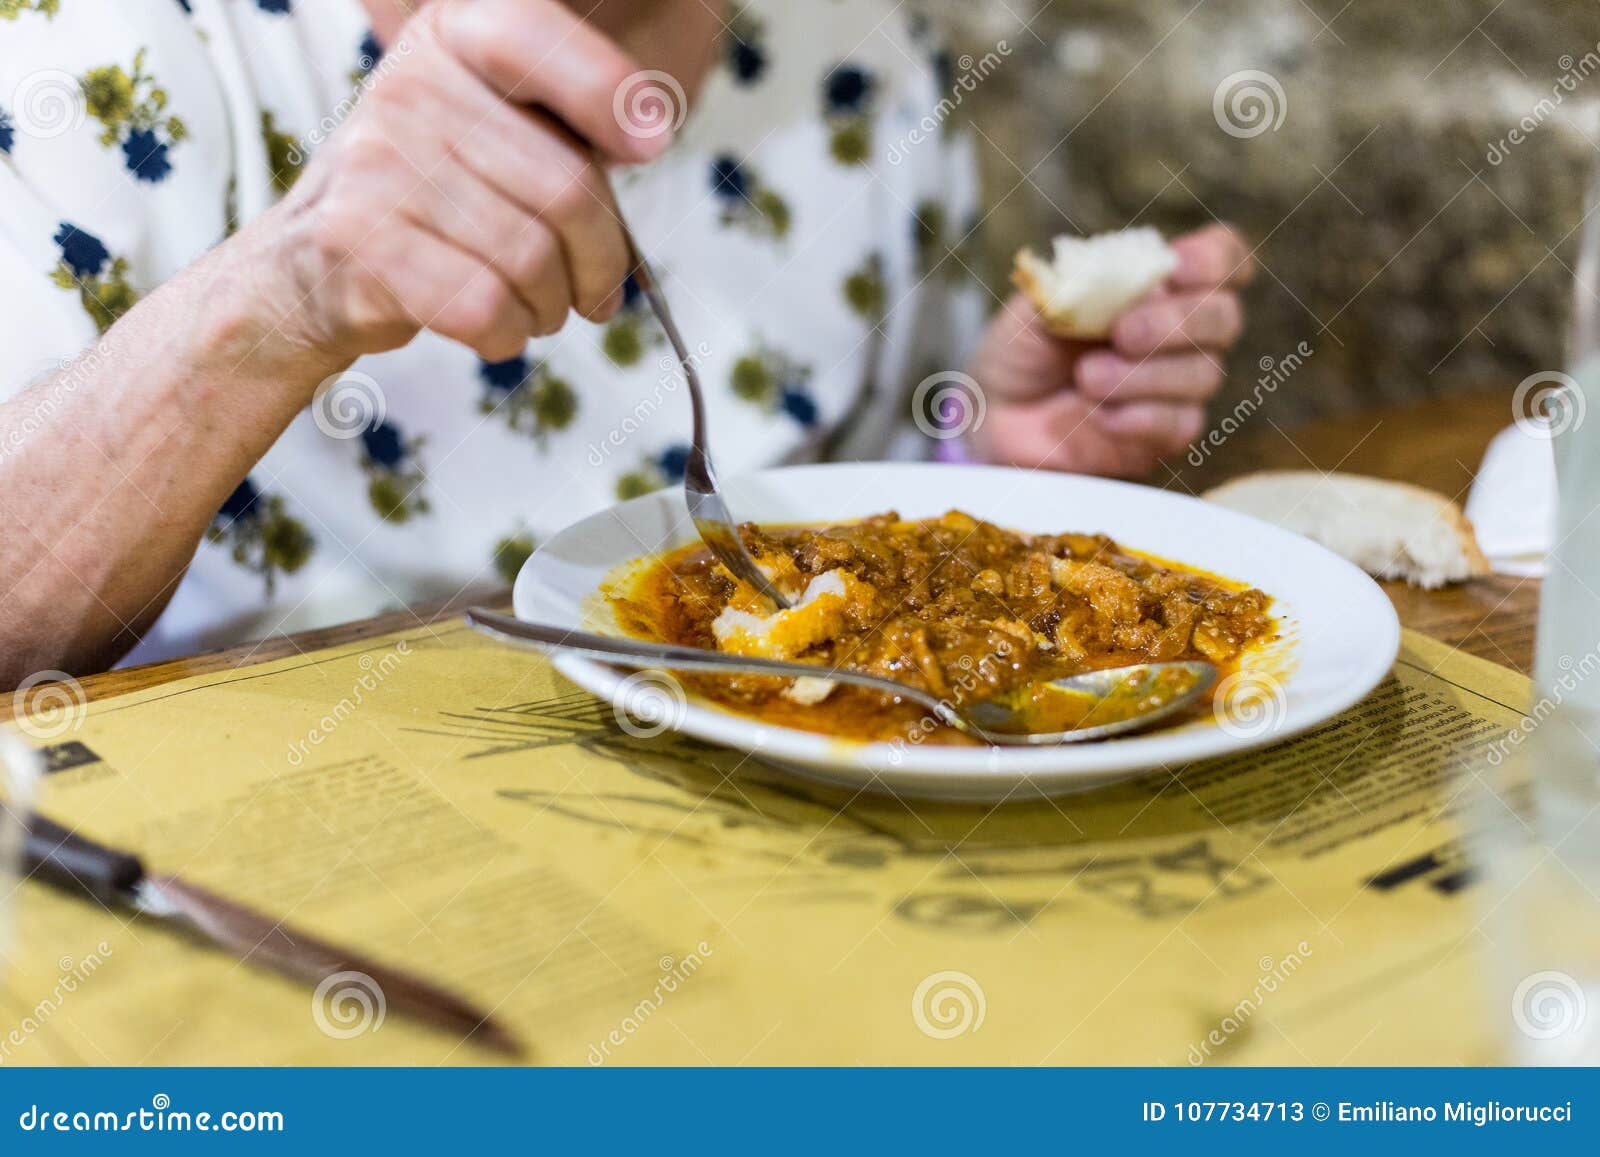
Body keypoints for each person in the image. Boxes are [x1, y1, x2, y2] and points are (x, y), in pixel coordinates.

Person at [0, 0, 1253, 685]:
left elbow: (834, 541)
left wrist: (985, 456)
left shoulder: (861, 47)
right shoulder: (116, 53)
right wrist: (279, 294)